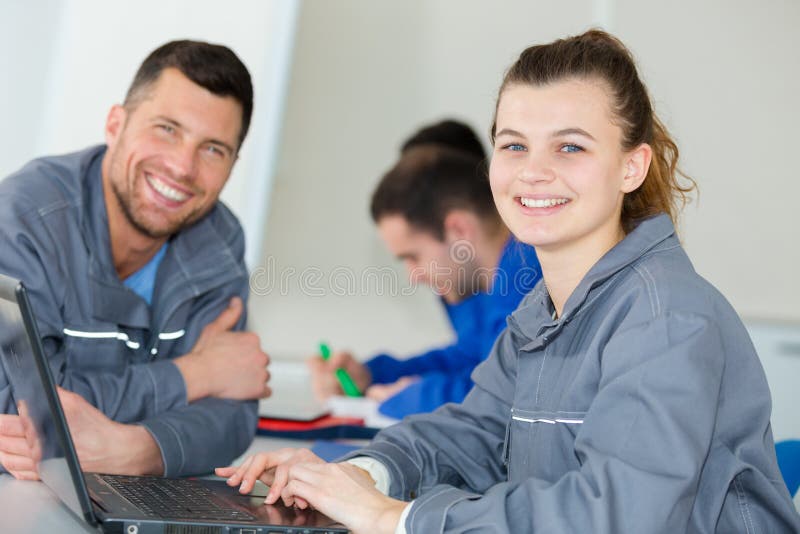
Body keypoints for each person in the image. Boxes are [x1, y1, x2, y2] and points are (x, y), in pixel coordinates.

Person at [217, 30, 800, 533]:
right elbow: (475, 430)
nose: (534, 171)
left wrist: (394, 518)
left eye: (570, 146)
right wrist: (359, 474)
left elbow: (614, 517)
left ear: (632, 166)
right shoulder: (542, 313)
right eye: (514, 145)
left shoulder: (666, 317)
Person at [0, 40, 271, 479]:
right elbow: (22, 411)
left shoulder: (219, 241)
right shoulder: (23, 221)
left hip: (134, 493)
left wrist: (138, 450)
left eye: (213, 149)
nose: (183, 167)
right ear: (115, 124)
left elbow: (232, 416)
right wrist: (194, 374)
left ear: (232, 166)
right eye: (167, 129)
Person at [308, 120, 541, 418]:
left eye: (413, 257)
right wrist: (376, 375)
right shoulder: (502, 275)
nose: (413, 275)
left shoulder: (530, 276)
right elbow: (471, 357)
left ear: (457, 229)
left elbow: (505, 395)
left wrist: (410, 398)